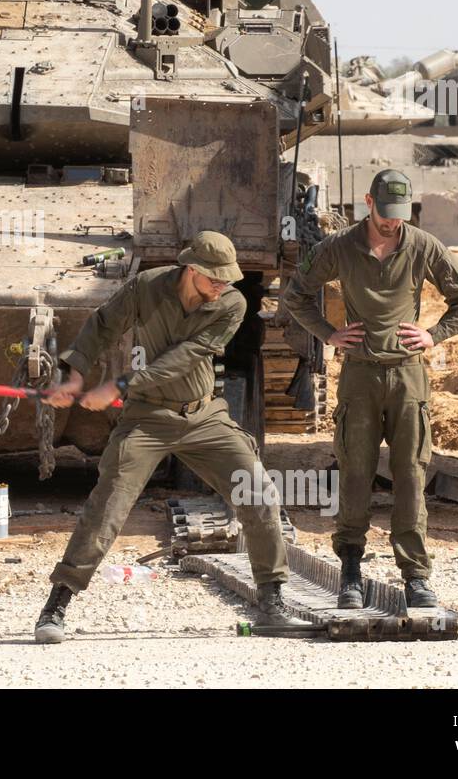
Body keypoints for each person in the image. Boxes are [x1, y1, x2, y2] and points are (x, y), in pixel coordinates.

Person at [32, 231, 294, 644]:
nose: (221, 287)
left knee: (257, 492)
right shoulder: (147, 288)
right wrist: (76, 370)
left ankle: (272, 600)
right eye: (214, 280)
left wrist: (119, 384)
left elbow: (186, 356)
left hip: (202, 414)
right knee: (108, 504)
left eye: (227, 280)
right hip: (147, 418)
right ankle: (57, 603)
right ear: (191, 270)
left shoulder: (232, 303)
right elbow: (102, 325)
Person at [281, 170, 458, 610]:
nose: (392, 223)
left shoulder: (423, 245)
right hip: (360, 374)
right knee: (356, 471)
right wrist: (328, 334)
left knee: (411, 474)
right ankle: (351, 568)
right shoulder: (340, 246)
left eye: (400, 215)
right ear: (369, 202)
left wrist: (434, 334)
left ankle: (415, 575)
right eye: (385, 214)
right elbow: (296, 294)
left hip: (409, 375)